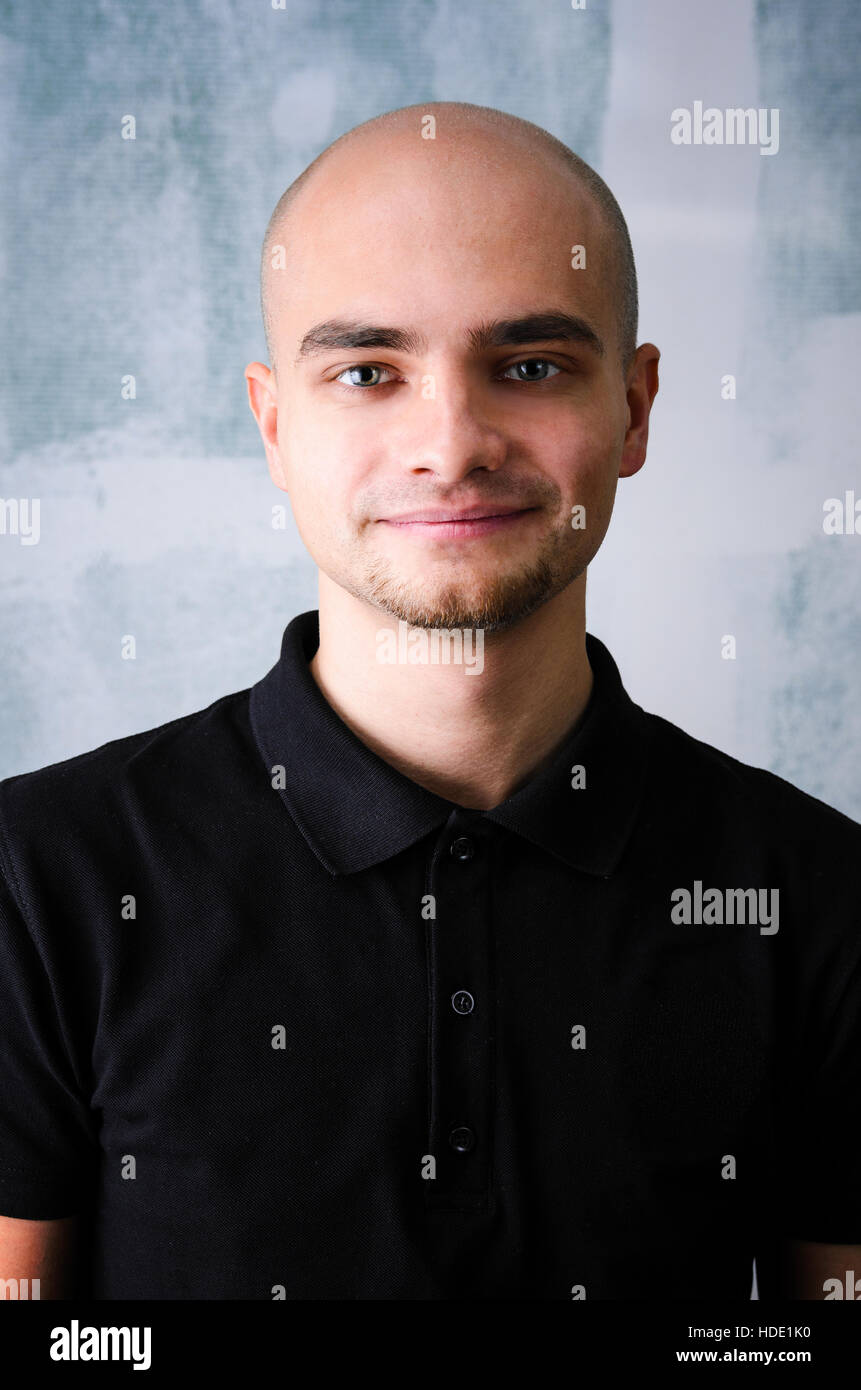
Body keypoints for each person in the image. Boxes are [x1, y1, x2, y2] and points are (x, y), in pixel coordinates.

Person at [1, 101, 859, 1301]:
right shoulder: (39, 882)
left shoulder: (818, 895)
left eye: (529, 365)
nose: (450, 443)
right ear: (274, 423)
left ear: (635, 409)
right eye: (367, 370)